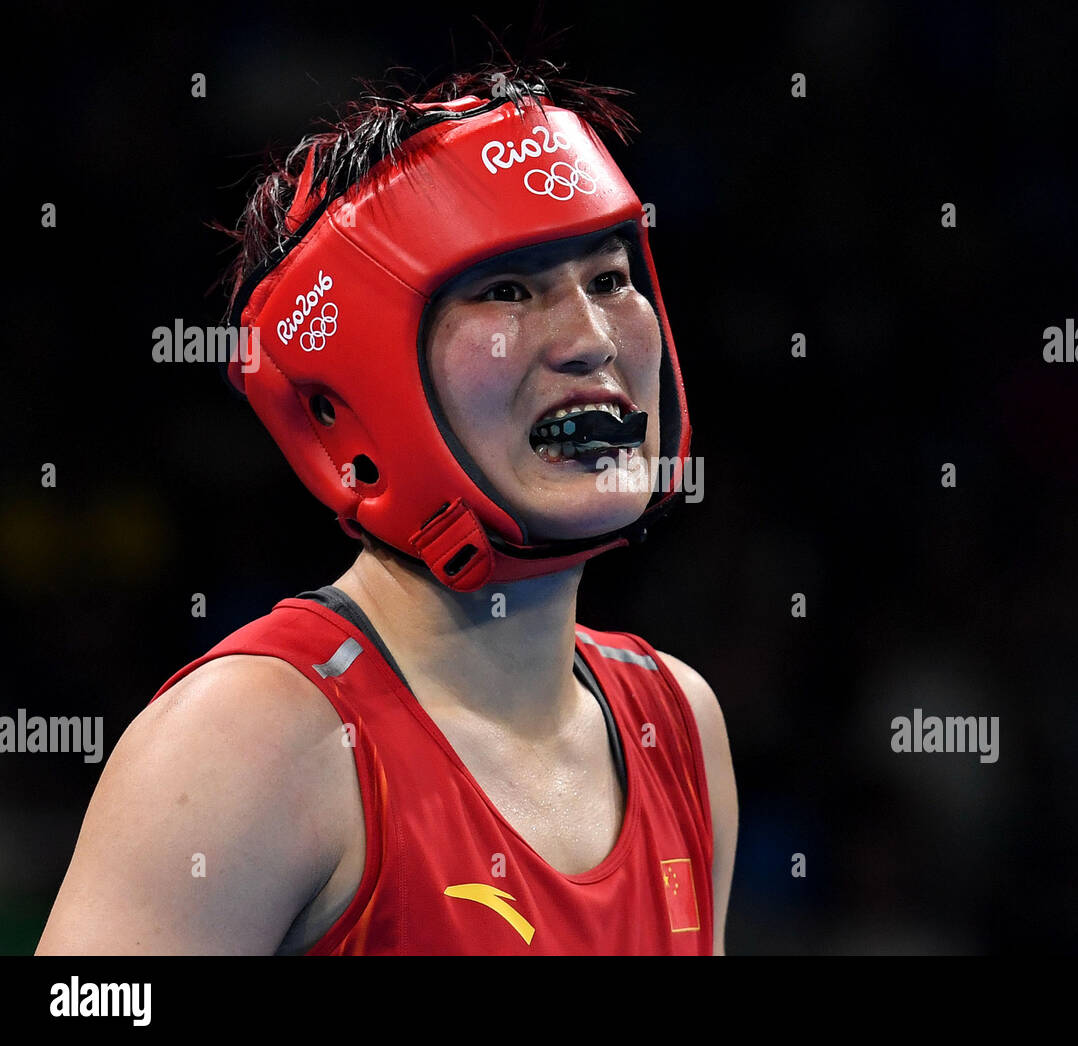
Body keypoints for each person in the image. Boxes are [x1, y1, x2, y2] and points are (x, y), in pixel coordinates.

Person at [36, 64, 738, 955]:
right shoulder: (251, 744)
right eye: (508, 293)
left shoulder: (675, 723)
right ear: (359, 390)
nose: (592, 342)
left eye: (608, 280)